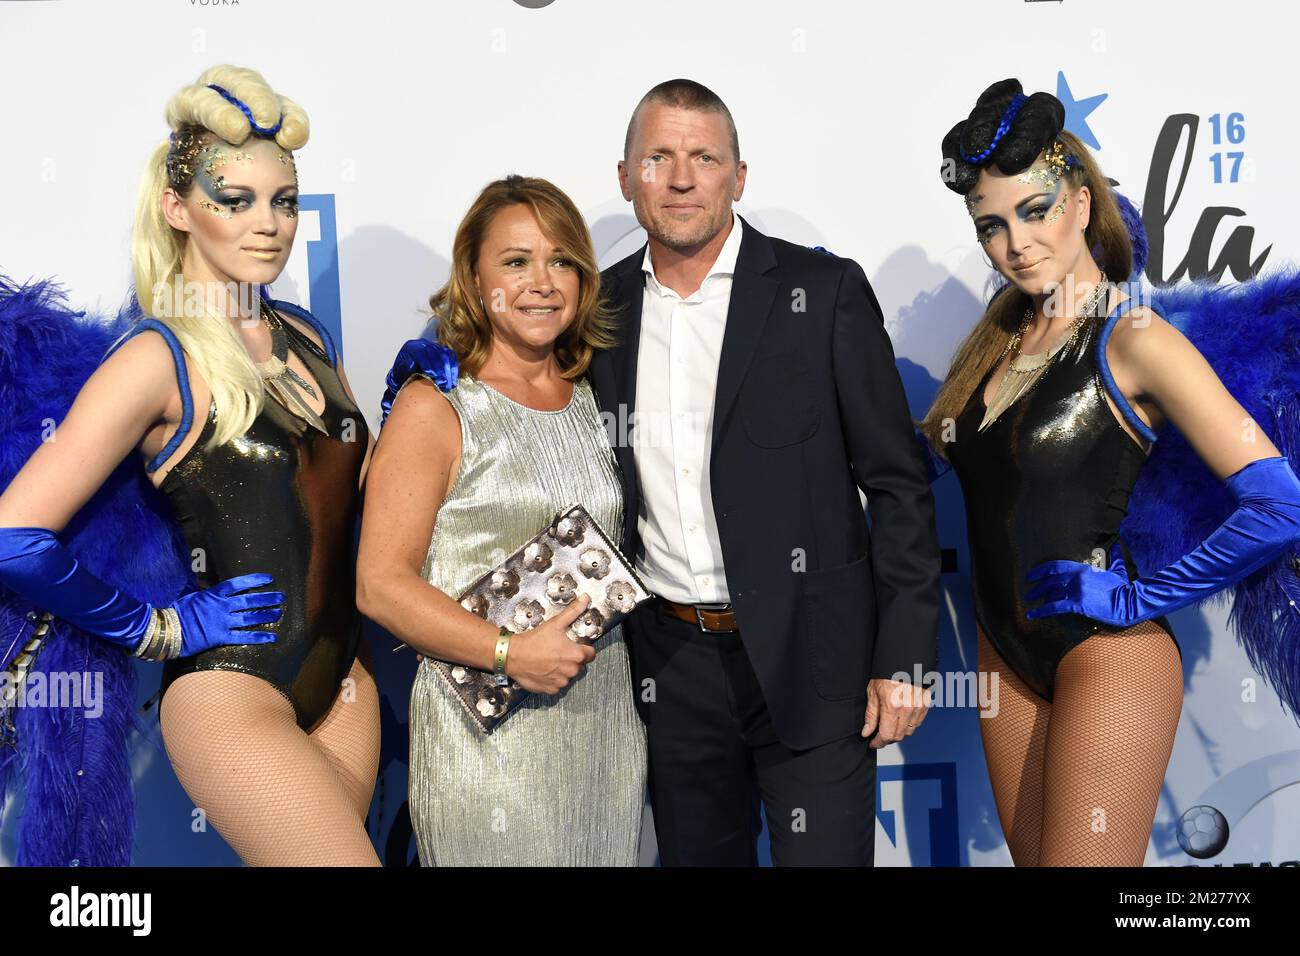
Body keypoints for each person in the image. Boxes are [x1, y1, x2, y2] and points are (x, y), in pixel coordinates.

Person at [0, 65, 381, 866]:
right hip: (232, 692)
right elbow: (14, 534)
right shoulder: (155, 355)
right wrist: (156, 628)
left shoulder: (308, 334)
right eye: (234, 200)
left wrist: (420, 406)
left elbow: (344, 506)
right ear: (179, 209)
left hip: (347, 686)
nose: (268, 223)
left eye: (282, 201)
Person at [919, 78, 1300, 866]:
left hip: (1110, 651)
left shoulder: (1136, 337)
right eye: (991, 225)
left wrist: (1139, 596)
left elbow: (1279, 505)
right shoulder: (990, 348)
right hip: (1002, 657)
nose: (1016, 242)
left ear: (1082, 204)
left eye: (1034, 210)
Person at [590, 79, 941, 866]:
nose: (681, 178)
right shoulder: (598, 310)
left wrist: (906, 659)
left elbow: (898, 486)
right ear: (626, 179)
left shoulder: (822, 293)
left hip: (816, 663)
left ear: (738, 177)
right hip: (670, 670)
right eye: (659, 158)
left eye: (704, 157)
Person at [357, 175, 647, 866]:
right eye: (516, 262)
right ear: (474, 277)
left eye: (562, 261)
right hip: (483, 739)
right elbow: (379, 585)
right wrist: (509, 654)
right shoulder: (438, 406)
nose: (542, 282)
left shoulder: (593, 398)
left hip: (602, 724)